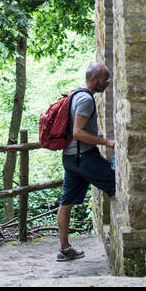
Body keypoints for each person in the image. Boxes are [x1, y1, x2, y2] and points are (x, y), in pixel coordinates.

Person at [56, 63, 115, 262]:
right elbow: (78, 133)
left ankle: (64, 250)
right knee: (117, 183)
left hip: (71, 159)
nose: (107, 83)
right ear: (93, 79)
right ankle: (118, 234)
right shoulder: (86, 100)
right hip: (84, 158)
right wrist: (105, 141)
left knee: (66, 203)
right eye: (104, 79)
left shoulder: (75, 94)